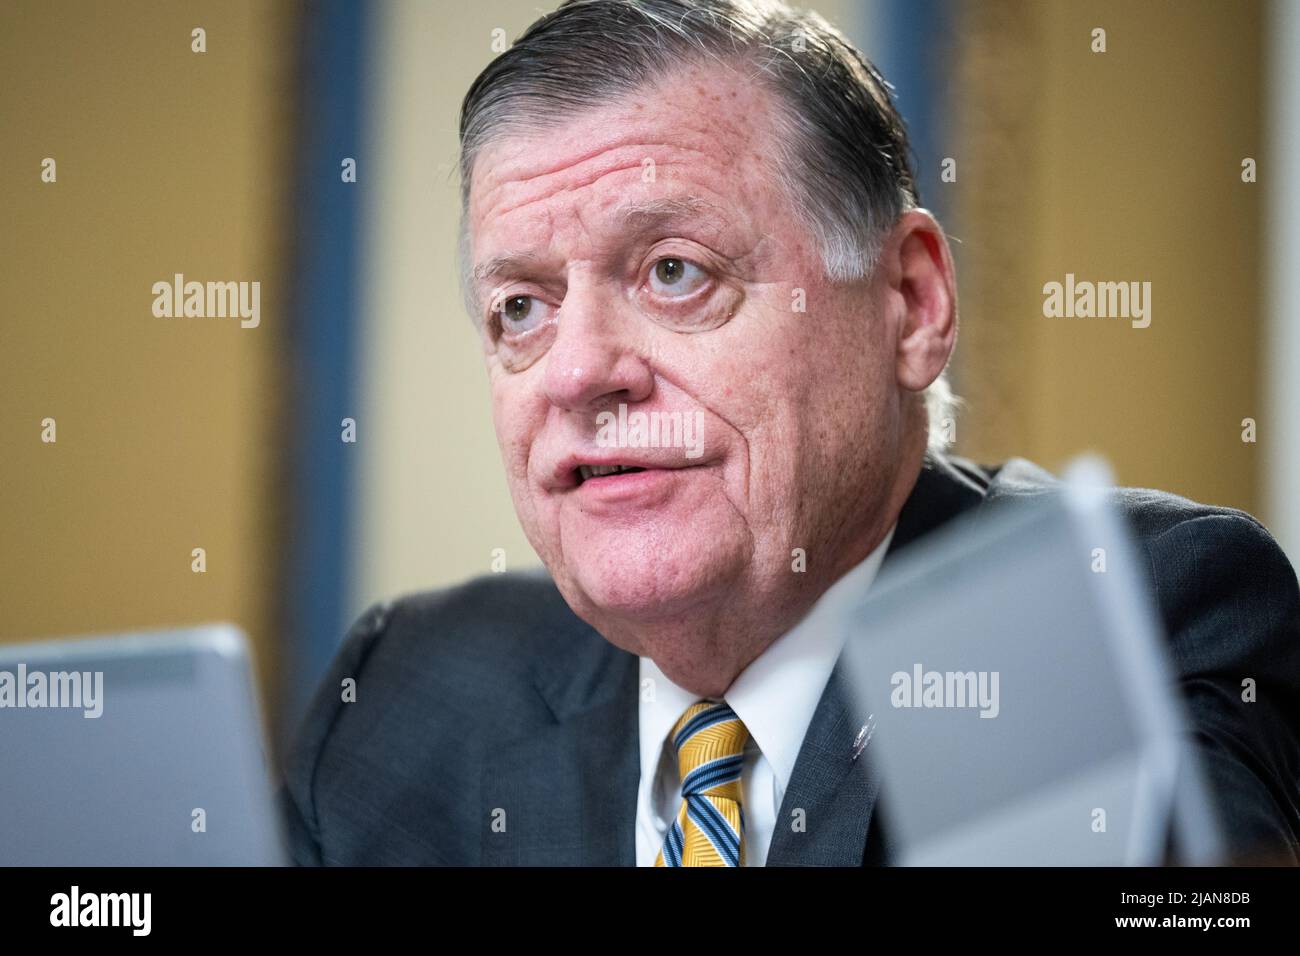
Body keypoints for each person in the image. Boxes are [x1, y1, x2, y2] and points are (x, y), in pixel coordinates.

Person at [279, 0, 1300, 866]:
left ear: (909, 299)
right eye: (520, 306)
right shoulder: (402, 686)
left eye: (674, 271)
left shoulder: (1098, 613)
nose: (580, 370)